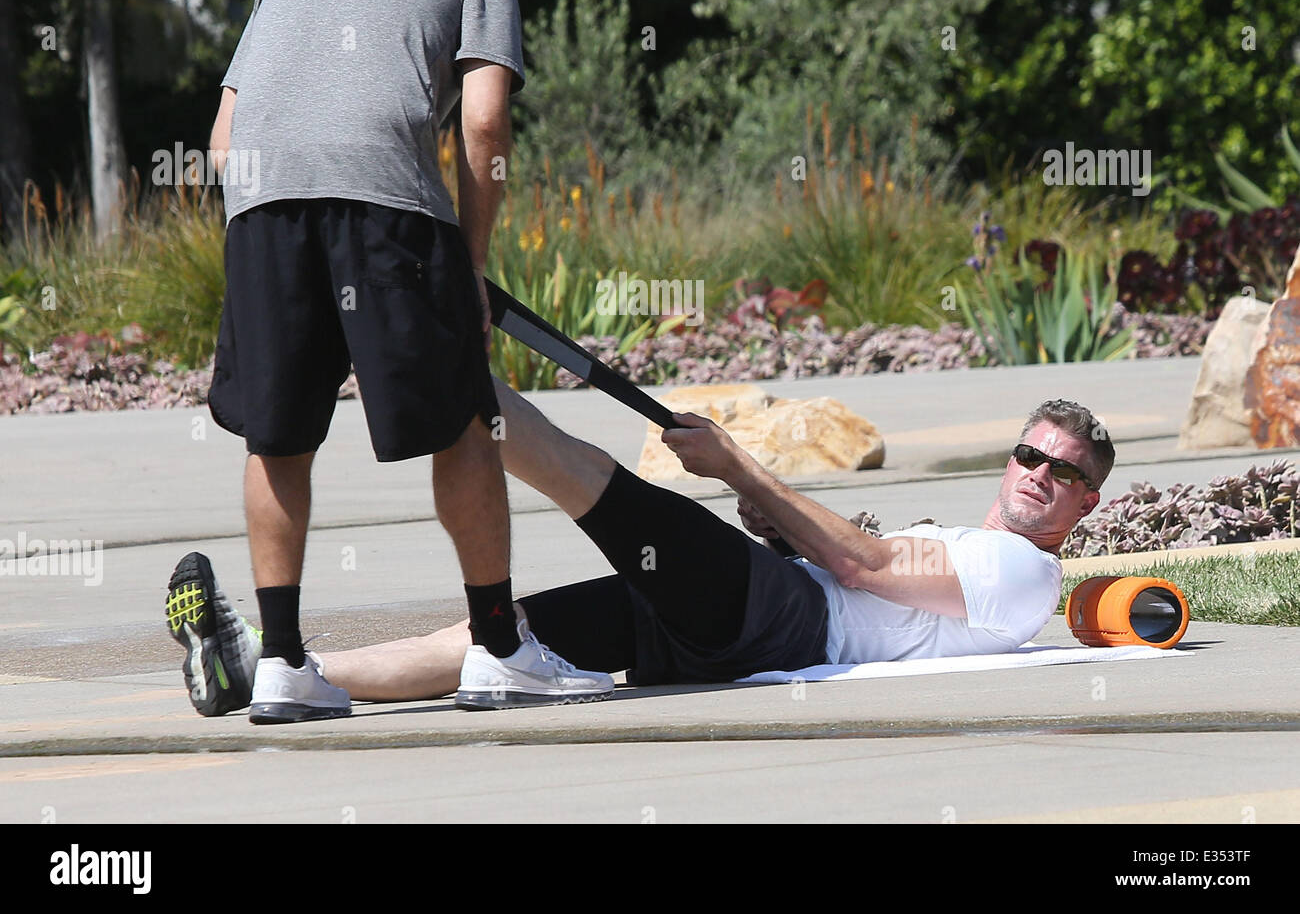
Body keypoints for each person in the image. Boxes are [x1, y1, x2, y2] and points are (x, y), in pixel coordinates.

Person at [194, 0, 611, 724]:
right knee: (462, 419)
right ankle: (498, 649)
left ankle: (280, 664)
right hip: (387, 205)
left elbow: (222, 141)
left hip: (260, 204)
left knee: (277, 436)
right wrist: (469, 260)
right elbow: (485, 128)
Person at [167, 384, 1112, 712]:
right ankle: (266, 668)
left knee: (602, 486)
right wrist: (781, 521)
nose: (1035, 472)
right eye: (1028, 452)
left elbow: (864, 570)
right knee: (497, 637)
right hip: (746, 619)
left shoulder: (1028, 571)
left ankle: (444, 372)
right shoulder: (974, 546)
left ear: (1083, 502)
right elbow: (866, 562)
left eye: (1059, 471)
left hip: (781, 616)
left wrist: (739, 466)